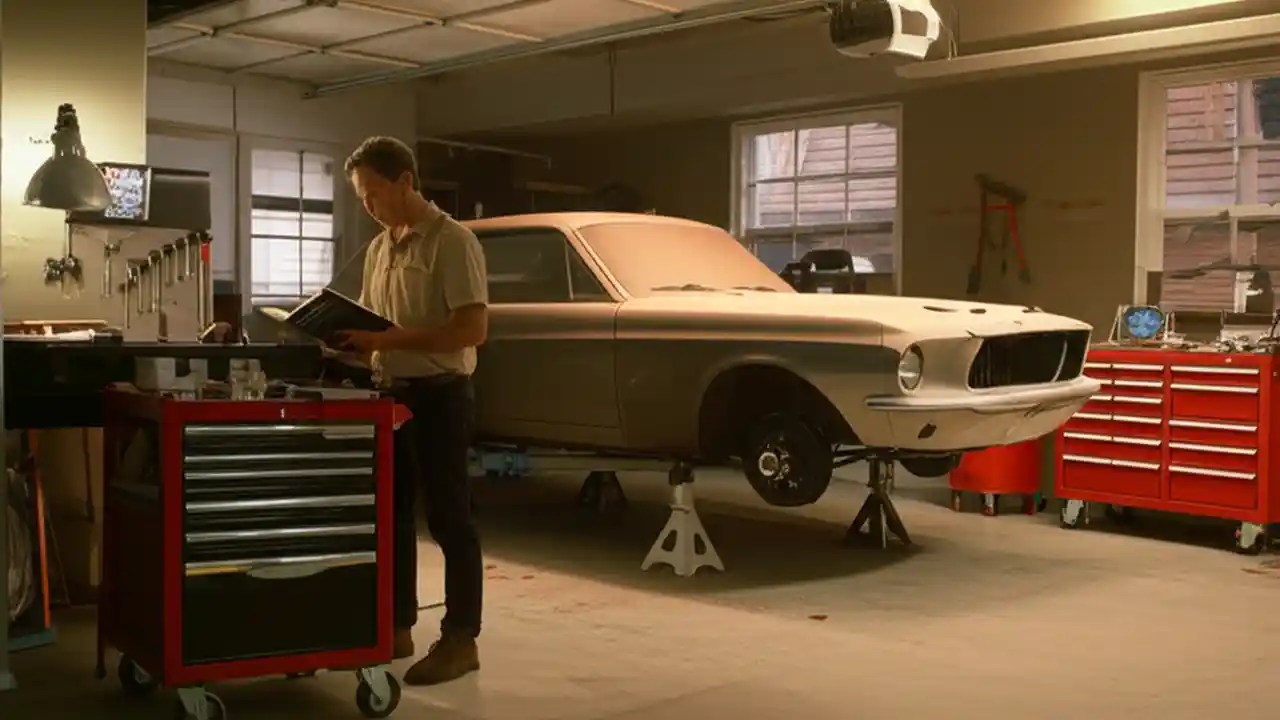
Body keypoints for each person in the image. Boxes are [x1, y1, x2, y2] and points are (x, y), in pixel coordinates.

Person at [333, 136, 488, 687]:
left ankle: (460, 638)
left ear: (404, 182)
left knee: (449, 517)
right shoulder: (380, 248)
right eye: (361, 198)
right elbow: (383, 330)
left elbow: (472, 329)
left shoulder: (453, 241)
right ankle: (396, 625)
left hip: (441, 392)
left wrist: (391, 339)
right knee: (390, 516)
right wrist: (356, 342)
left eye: (374, 193)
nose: (368, 207)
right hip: (390, 394)